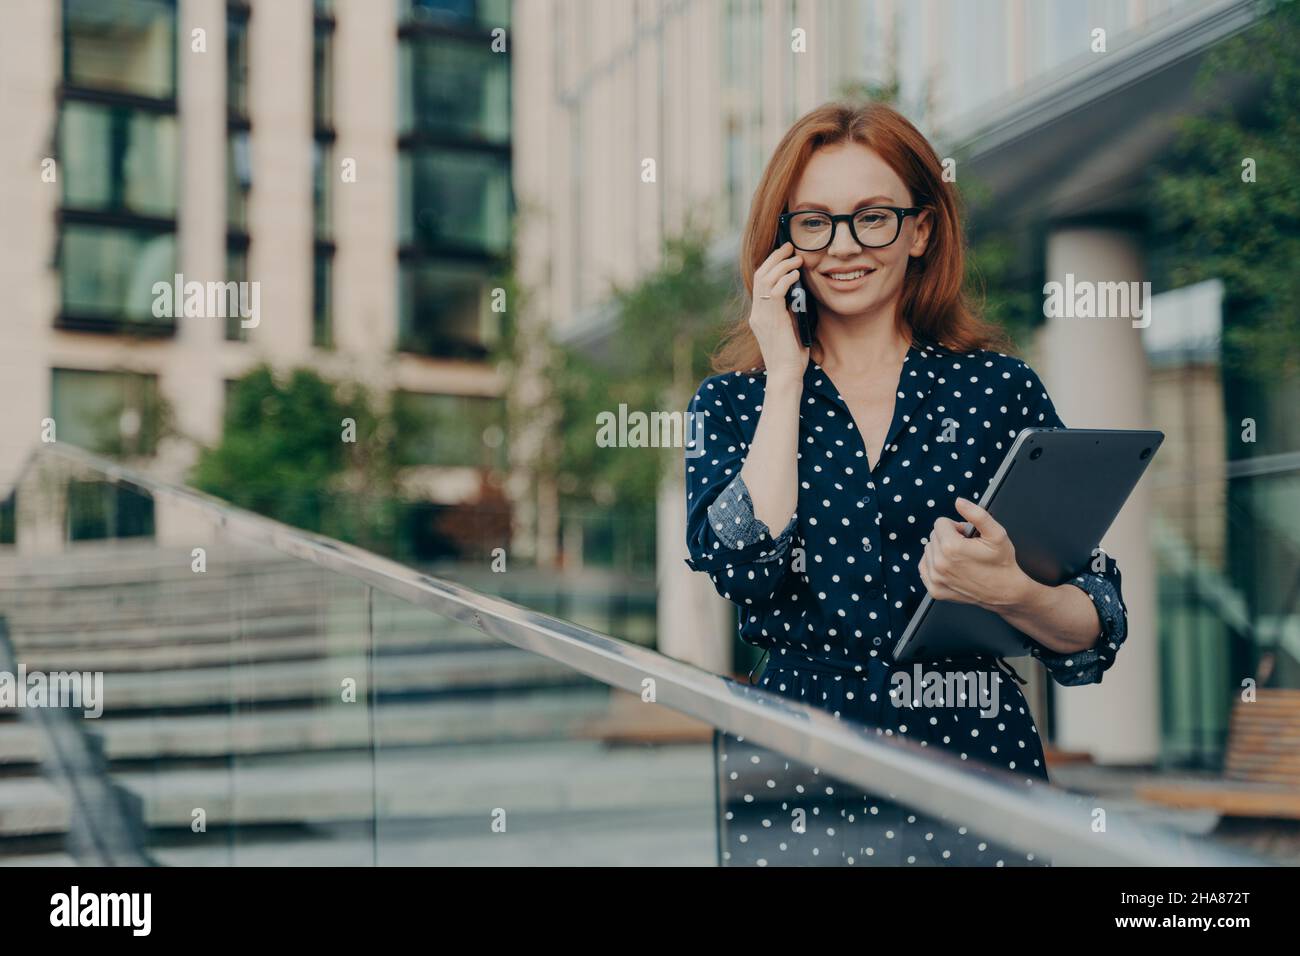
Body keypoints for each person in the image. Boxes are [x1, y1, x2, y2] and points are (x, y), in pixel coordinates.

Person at [683, 101, 1129, 866]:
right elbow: (744, 564)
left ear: (921, 230)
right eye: (815, 222)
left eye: (873, 218)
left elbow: (1095, 626)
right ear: (783, 241)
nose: (844, 246)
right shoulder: (733, 404)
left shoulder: (999, 392)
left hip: (974, 753)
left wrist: (1011, 591)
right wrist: (784, 372)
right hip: (797, 762)